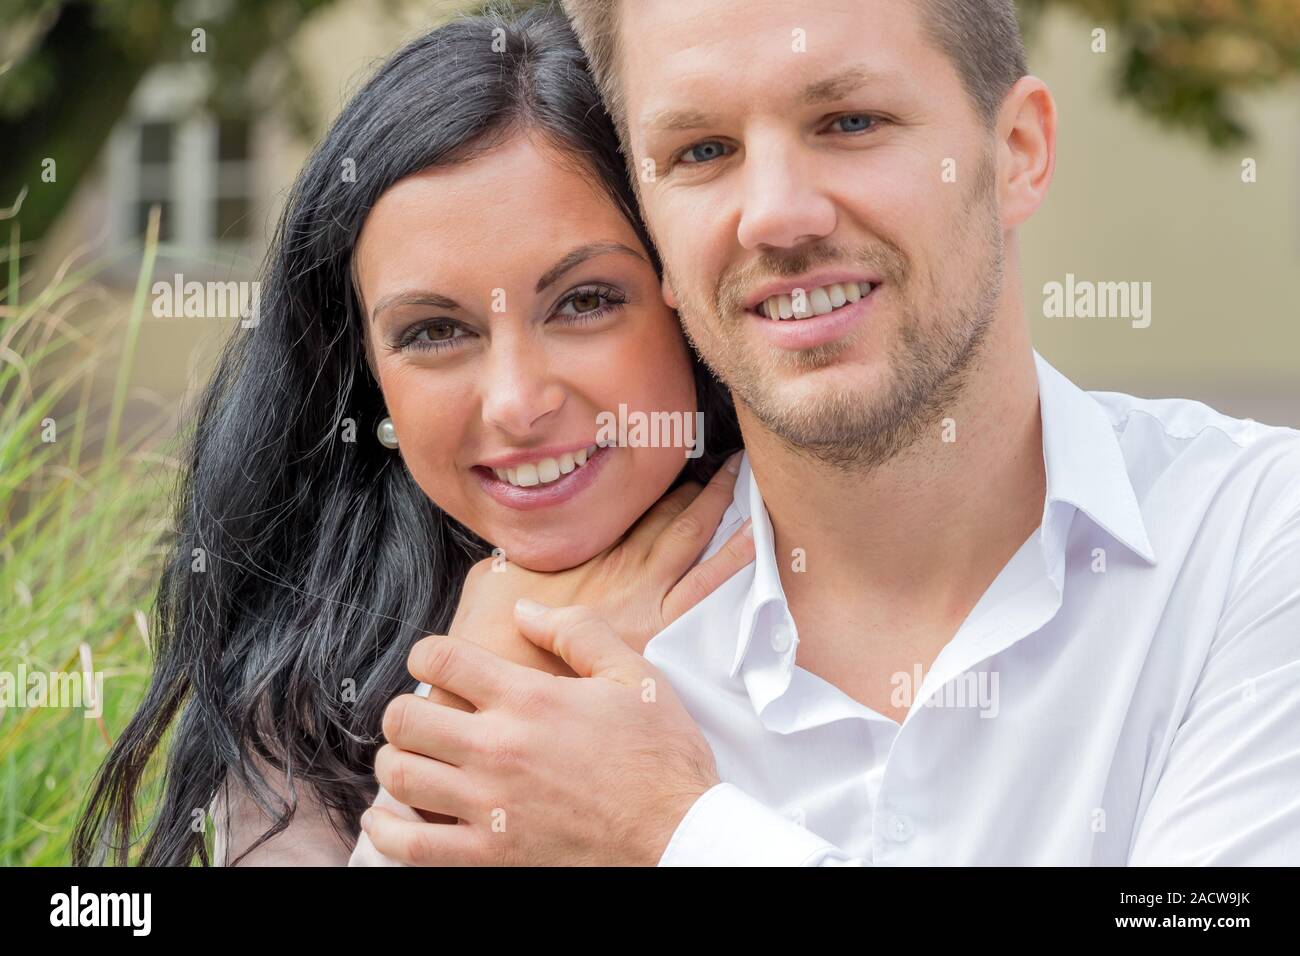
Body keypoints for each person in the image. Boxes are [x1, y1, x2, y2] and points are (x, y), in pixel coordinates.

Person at [359, 0, 1300, 865]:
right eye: (700, 151)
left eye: (849, 123)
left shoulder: (1250, 546)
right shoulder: (549, 688)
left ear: (1017, 150)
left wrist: (670, 833)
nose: (777, 215)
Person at [71, 6, 753, 866]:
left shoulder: (841, 576)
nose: (515, 403)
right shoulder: (313, 686)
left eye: (583, 302)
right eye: (436, 331)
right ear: (363, 368)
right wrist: (479, 683)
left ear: (683, 283)